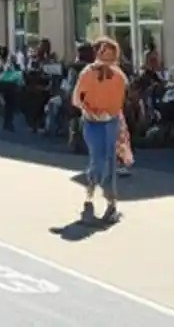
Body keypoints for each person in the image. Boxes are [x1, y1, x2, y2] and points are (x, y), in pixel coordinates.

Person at [72, 37, 128, 223]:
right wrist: (90, 111)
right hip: (92, 122)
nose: (107, 58)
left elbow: (118, 103)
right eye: (103, 52)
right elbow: (76, 99)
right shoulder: (87, 74)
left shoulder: (119, 77)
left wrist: (109, 115)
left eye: (111, 54)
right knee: (98, 158)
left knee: (110, 160)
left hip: (110, 121)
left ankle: (111, 204)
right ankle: (91, 184)